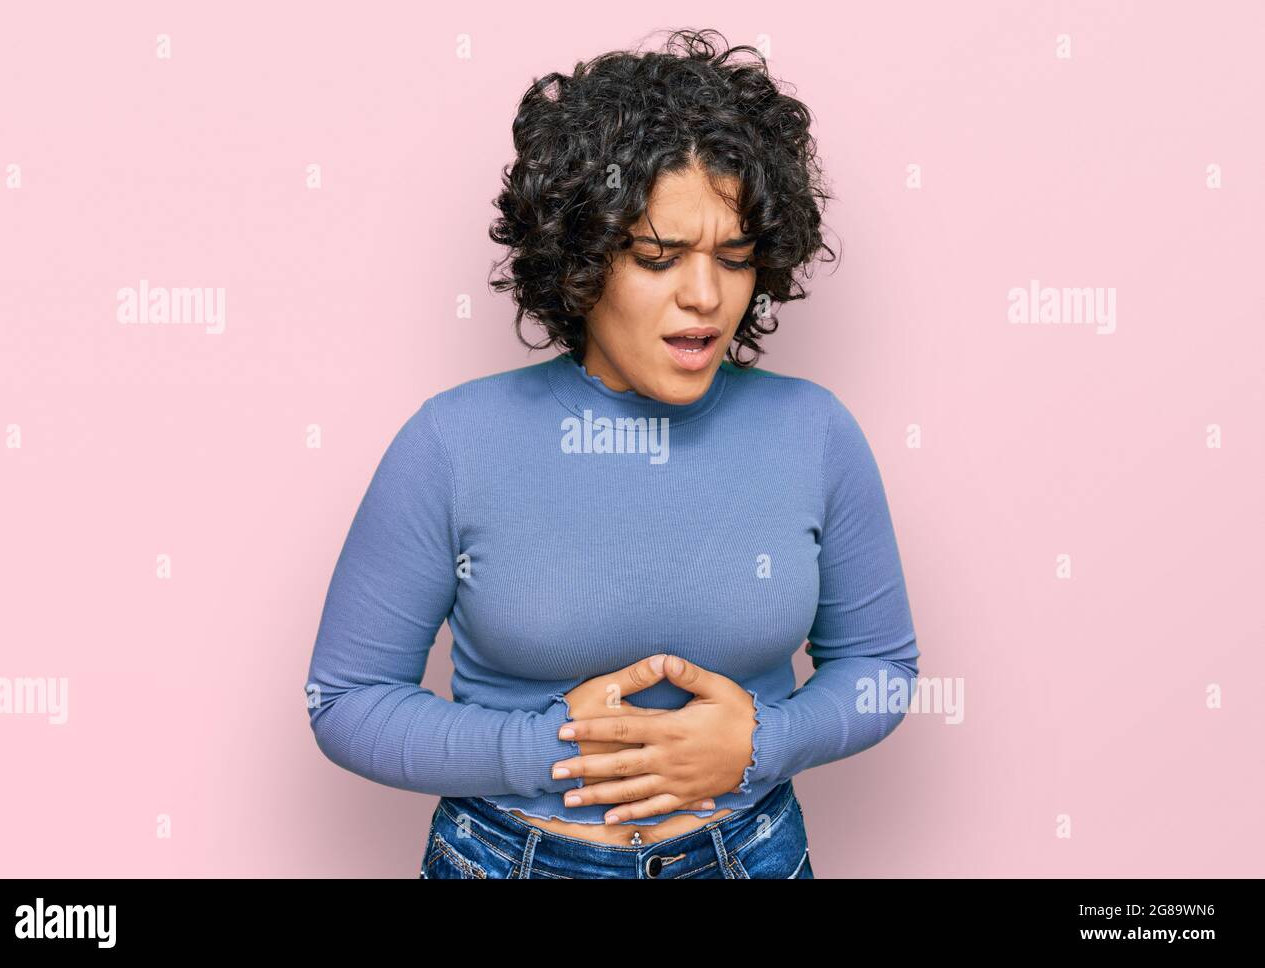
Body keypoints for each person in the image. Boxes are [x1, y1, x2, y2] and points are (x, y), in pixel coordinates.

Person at [304, 27, 920, 879]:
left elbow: (881, 667)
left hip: (749, 855)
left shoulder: (813, 433)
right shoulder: (451, 442)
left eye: (735, 259)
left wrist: (762, 742)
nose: (705, 297)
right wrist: (540, 748)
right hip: (507, 857)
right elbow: (345, 702)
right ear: (582, 262)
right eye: (658, 258)